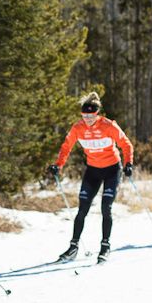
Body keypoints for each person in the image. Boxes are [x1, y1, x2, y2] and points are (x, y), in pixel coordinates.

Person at [48, 92, 134, 264]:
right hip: (93, 171)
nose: (87, 119)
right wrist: (58, 165)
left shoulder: (108, 126)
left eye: (90, 116)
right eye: (84, 116)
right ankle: (73, 247)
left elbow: (126, 144)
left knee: (105, 208)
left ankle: (105, 246)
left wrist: (128, 163)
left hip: (112, 170)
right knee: (82, 209)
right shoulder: (78, 128)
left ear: (97, 114)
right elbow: (66, 147)